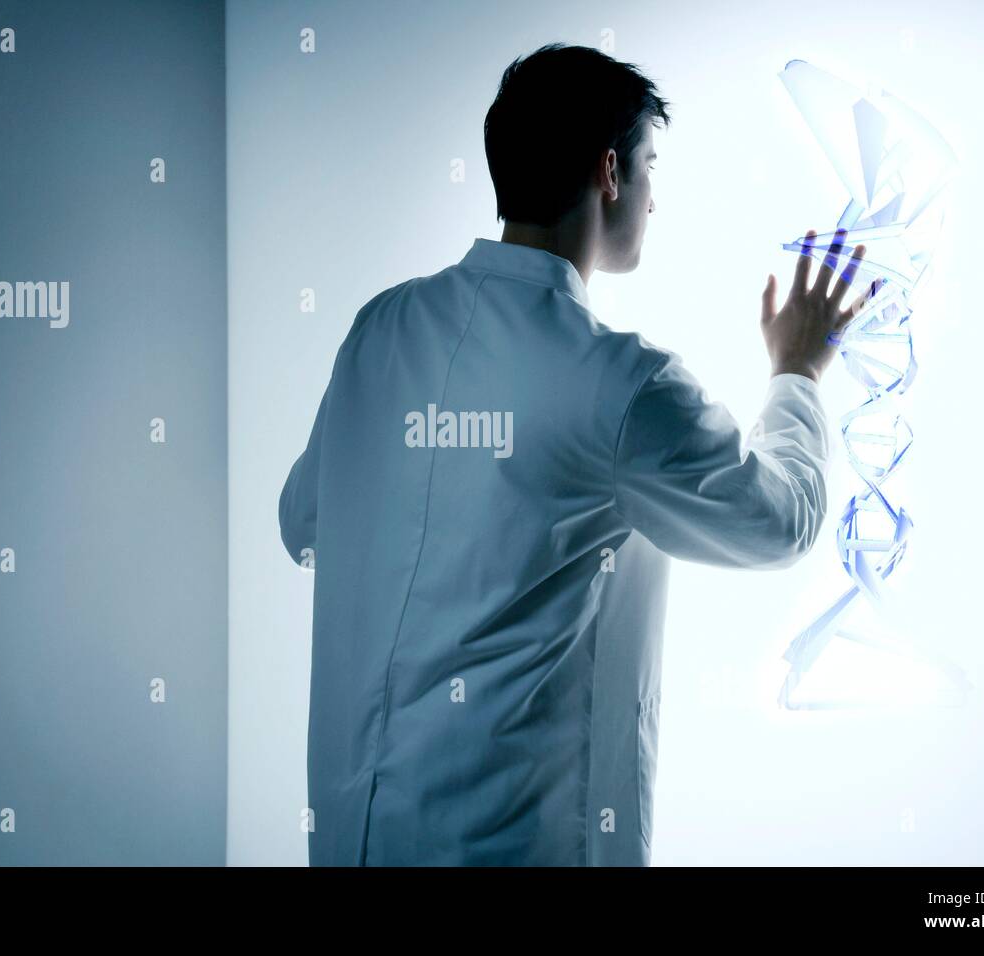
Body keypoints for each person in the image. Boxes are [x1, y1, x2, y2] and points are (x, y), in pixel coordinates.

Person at [278, 42, 867, 866]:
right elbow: (778, 523)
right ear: (610, 173)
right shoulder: (621, 385)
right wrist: (798, 371)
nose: (656, 198)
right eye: (651, 165)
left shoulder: (381, 328)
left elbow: (301, 521)